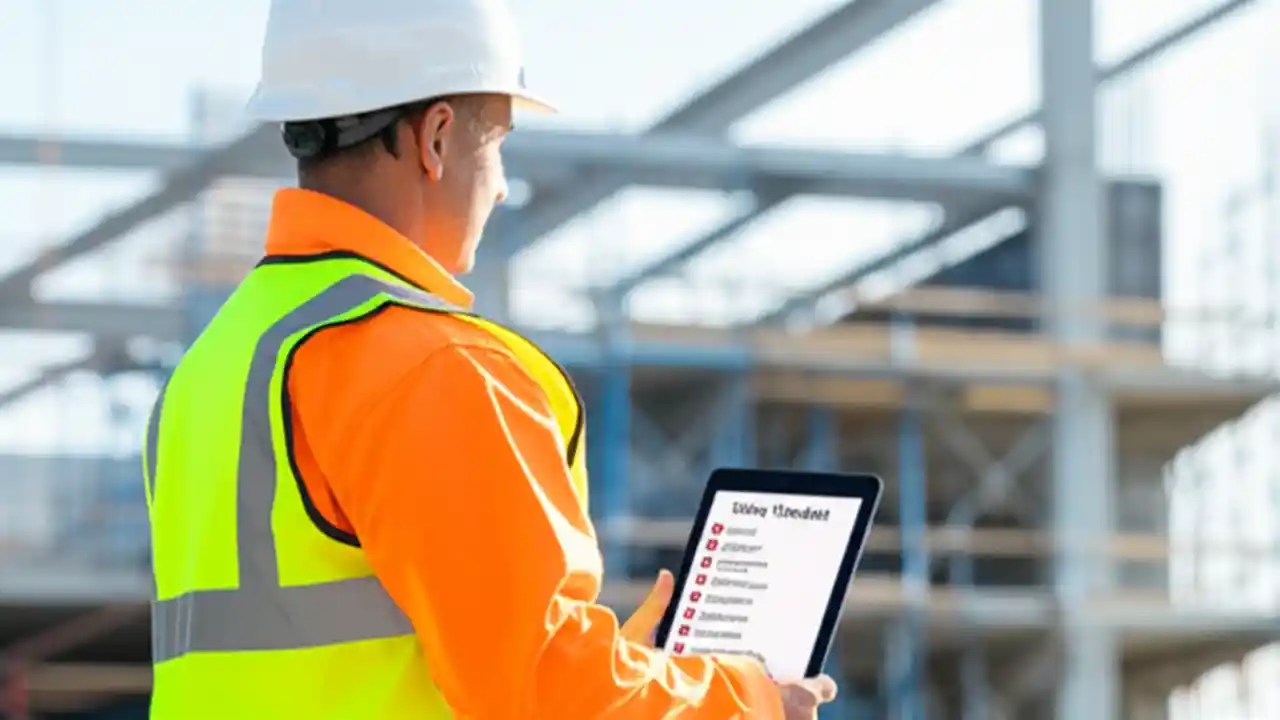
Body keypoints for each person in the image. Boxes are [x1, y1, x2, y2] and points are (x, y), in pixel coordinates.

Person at [142, 0, 837, 716]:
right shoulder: (432, 366)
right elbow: (544, 693)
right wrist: (747, 701)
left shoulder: (215, 365)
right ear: (436, 139)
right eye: (498, 141)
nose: (501, 184)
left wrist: (620, 670)